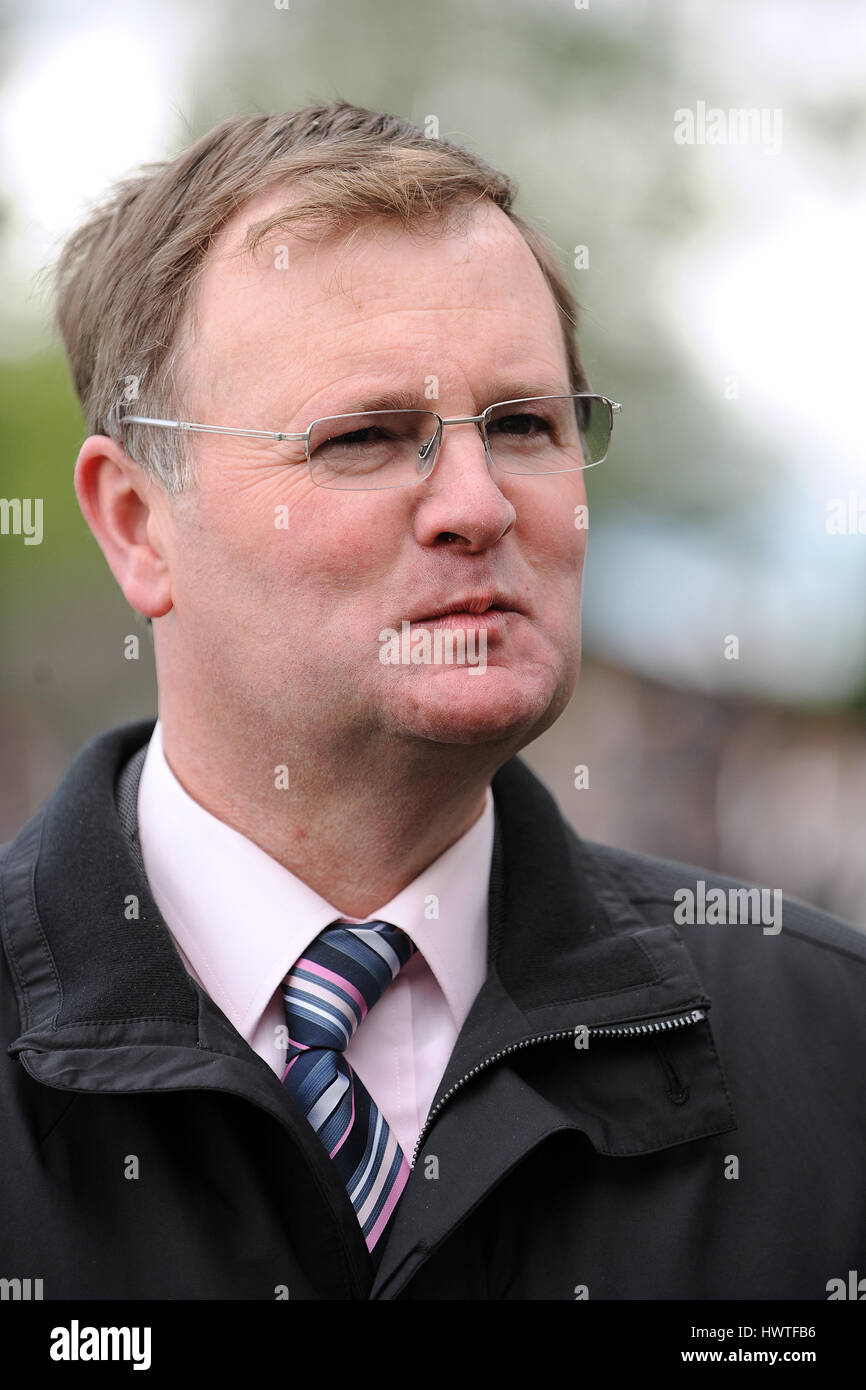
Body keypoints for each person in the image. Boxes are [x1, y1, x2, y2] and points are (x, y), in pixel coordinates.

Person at [1, 99, 864, 1302]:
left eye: (520, 423)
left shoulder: (828, 1051)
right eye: (363, 436)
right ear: (138, 525)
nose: (478, 502)